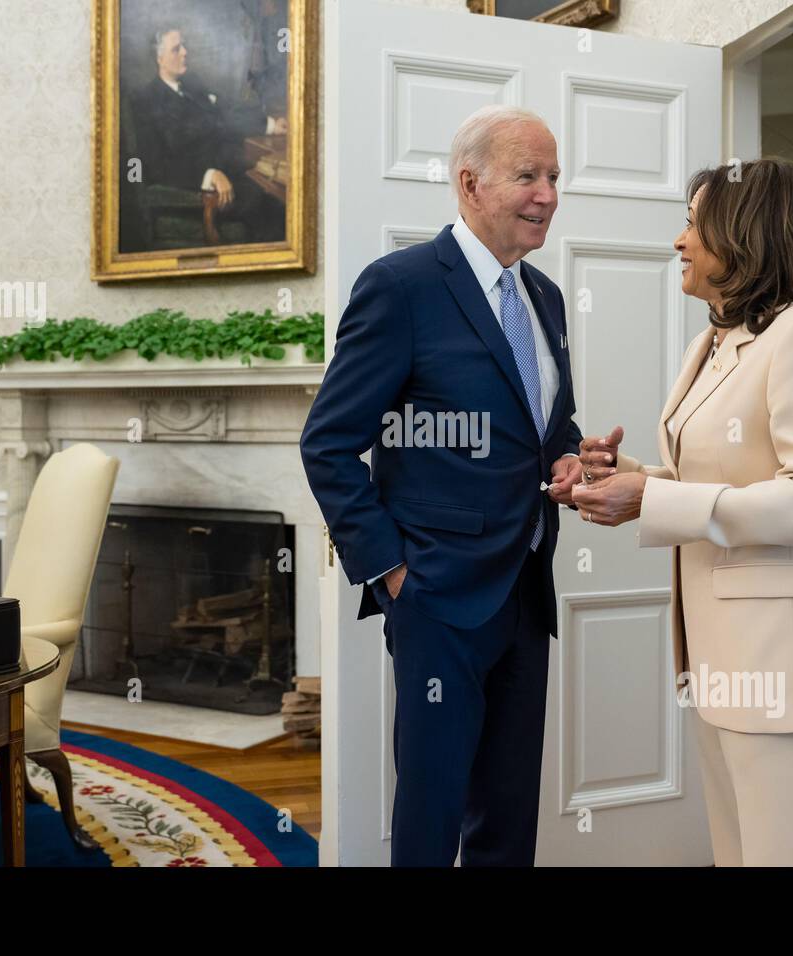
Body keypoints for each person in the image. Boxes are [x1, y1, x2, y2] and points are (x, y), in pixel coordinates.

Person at [572, 158, 793, 866]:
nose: (678, 241)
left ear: (744, 235)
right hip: (722, 659)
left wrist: (652, 497)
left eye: (692, 223)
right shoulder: (712, 342)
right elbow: (715, 478)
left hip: (785, 664)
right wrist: (624, 477)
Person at [300, 105, 584, 866]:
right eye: (528, 175)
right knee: (429, 818)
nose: (548, 194)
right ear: (469, 183)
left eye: (554, 177)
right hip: (437, 598)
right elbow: (328, 443)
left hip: (527, 593)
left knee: (508, 817)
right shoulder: (402, 287)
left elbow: (547, 427)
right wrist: (393, 572)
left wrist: (573, 458)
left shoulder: (546, 298)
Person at [127, 27, 284, 248]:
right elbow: (155, 165)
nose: (184, 52)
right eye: (176, 49)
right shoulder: (146, 101)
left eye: (184, 46)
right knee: (270, 212)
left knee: (279, 199)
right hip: (197, 191)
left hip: (233, 175)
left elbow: (227, 113)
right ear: (159, 58)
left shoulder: (193, 85)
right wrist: (209, 175)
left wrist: (269, 125)